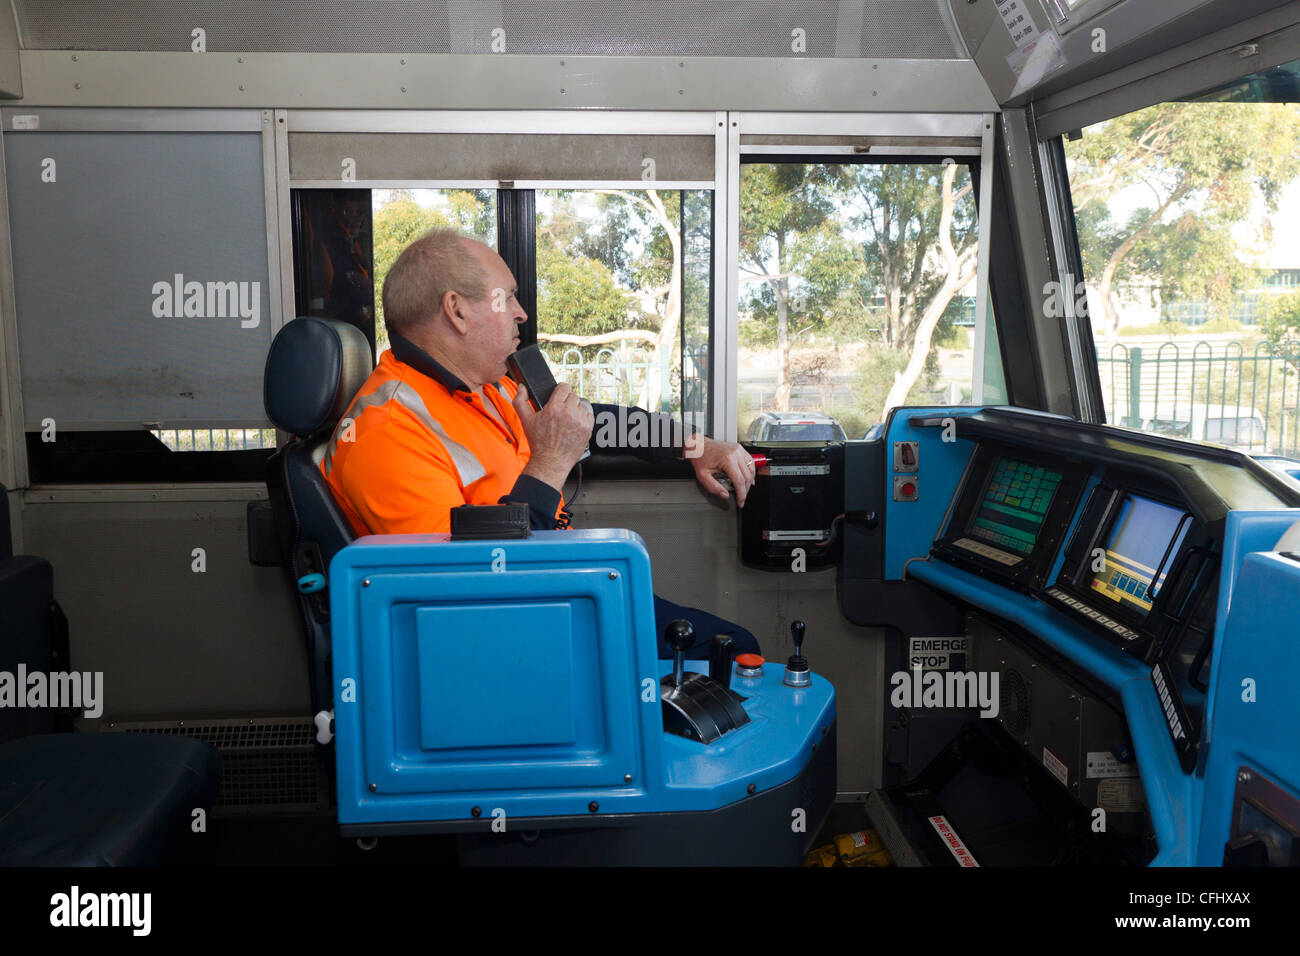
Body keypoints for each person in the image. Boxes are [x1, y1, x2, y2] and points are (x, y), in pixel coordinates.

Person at [321, 228, 761, 660]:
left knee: (729, 644)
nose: (521, 313)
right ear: (456, 311)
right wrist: (550, 461)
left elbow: (595, 421)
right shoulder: (387, 432)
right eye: (507, 297)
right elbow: (467, 588)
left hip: (555, 584)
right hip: (518, 625)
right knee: (734, 649)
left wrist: (695, 447)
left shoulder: (484, 386)